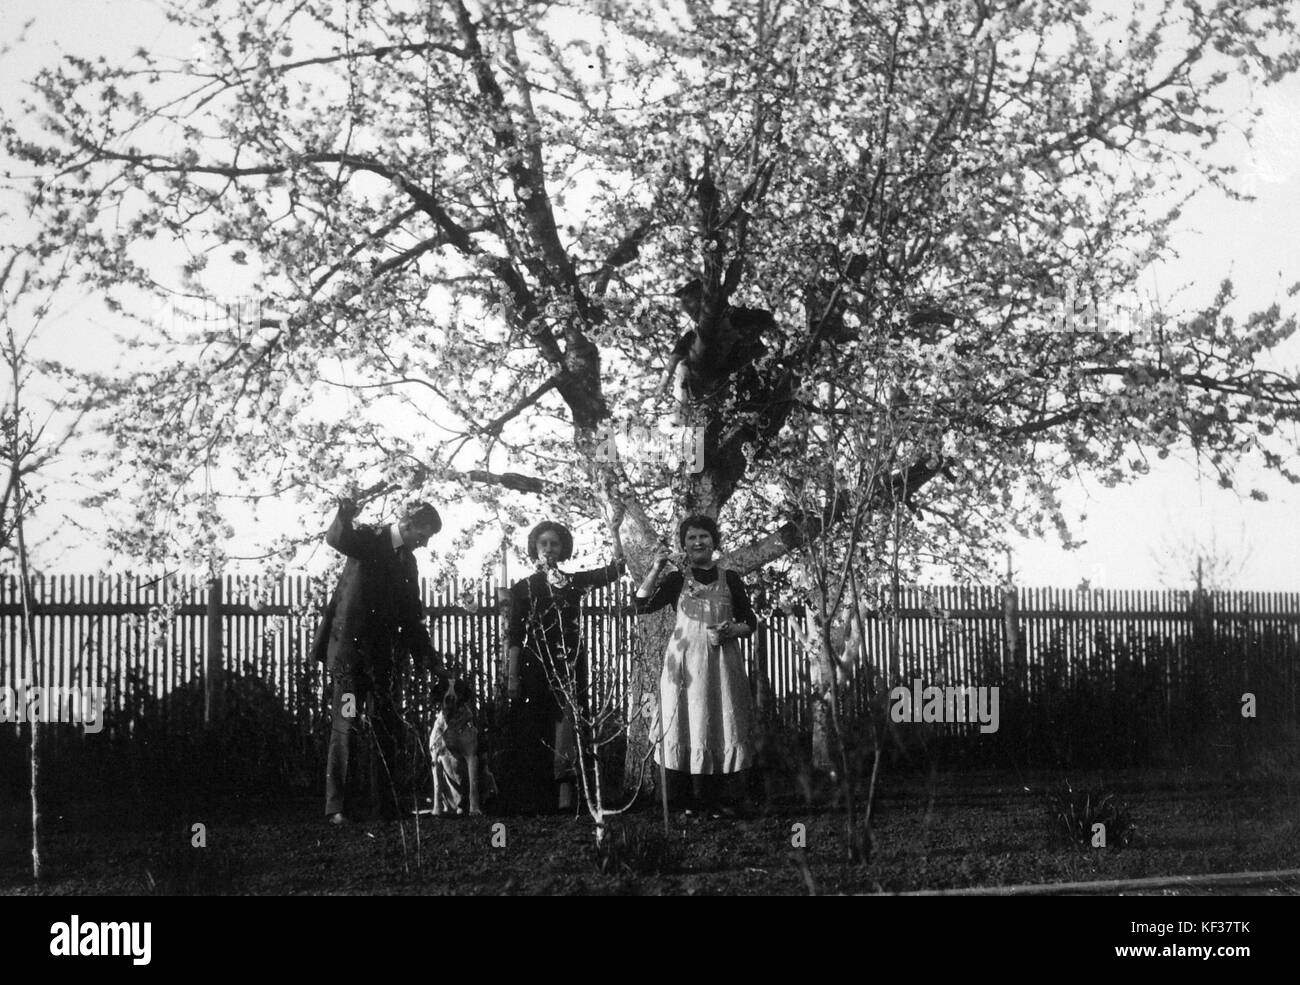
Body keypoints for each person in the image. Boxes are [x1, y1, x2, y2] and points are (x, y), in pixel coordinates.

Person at [312, 495, 448, 825]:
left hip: (384, 661)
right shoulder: (369, 539)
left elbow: (412, 619)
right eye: (425, 534)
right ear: (410, 523)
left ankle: (385, 806)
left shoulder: (409, 563)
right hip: (349, 657)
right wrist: (345, 510)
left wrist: (432, 663)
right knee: (346, 725)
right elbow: (337, 538)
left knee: (388, 727)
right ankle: (338, 808)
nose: (426, 543)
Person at [635, 514, 757, 816]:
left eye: (703, 536)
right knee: (685, 724)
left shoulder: (730, 579)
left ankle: (719, 800)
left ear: (713, 541)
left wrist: (731, 630)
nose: (698, 542)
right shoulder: (677, 580)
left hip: (721, 667)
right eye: (691, 538)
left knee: (719, 724)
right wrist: (656, 568)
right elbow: (641, 605)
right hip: (684, 667)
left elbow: (750, 623)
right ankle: (684, 802)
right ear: (684, 545)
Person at [504, 519, 625, 812]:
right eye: (543, 543)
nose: (548, 549)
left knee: (567, 726)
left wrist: (614, 531)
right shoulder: (523, 588)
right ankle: (534, 798)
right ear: (534, 547)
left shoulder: (574, 584)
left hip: (569, 664)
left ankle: (565, 799)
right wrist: (511, 677)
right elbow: (515, 636)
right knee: (535, 726)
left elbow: (617, 569)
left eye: (554, 544)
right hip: (534, 666)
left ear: (563, 549)